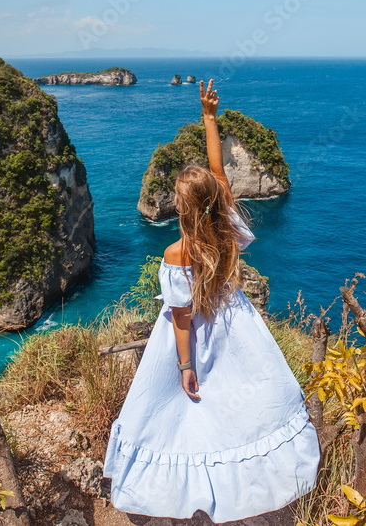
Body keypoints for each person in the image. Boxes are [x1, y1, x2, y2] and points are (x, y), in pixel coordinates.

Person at [102, 79, 321, 522]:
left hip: (194, 333)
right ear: (214, 202)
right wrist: (209, 118)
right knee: (240, 404)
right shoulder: (228, 226)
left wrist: (186, 366)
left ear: (181, 210)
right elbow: (218, 171)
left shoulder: (176, 253)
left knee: (181, 412)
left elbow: (181, 319)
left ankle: (182, 488)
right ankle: (248, 478)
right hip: (235, 320)